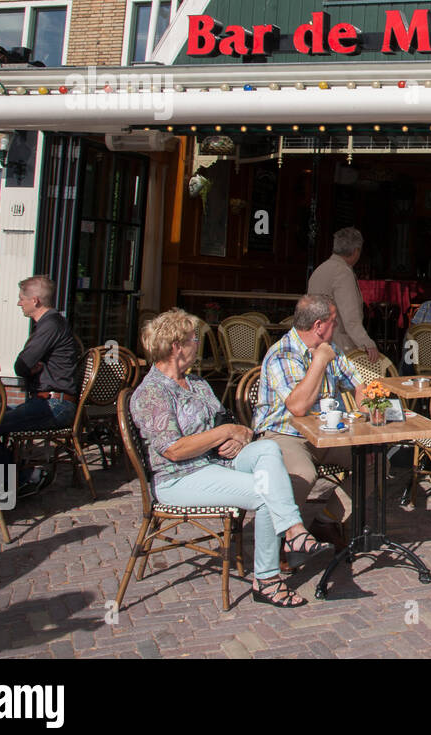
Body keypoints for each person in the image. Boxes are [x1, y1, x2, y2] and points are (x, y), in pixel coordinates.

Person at [131, 309, 329, 607]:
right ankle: (267, 578)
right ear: (176, 346)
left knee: (268, 449)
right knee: (267, 493)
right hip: (179, 476)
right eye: (193, 338)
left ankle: (294, 531)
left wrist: (237, 438)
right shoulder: (152, 393)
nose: (198, 344)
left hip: (215, 463)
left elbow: (230, 426)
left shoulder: (196, 384)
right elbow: (173, 449)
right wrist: (223, 432)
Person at [253, 294, 361, 546]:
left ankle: (327, 519)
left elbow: (359, 384)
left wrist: (366, 407)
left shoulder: (332, 348)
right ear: (319, 326)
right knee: (302, 474)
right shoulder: (282, 353)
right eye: (334, 322)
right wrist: (320, 361)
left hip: (327, 433)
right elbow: (297, 407)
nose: (338, 327)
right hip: (285, 433)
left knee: (374, 462)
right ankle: (279, 539)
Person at [0, 275, 81, 494]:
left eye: (21, 298)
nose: (19, 303)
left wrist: (32, 366)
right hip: (52, 402)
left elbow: (22, 365)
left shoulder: (50, 325)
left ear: (35, 300)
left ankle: (24, 478)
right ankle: (12, 476)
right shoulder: (53, 323)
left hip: (55, 405)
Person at [307, 227, 378, 363]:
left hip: (316, 341)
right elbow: (350, 318)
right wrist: (367, 343)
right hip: (337, 346)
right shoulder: (343, 273)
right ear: (356, 251)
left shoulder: (320, 269)